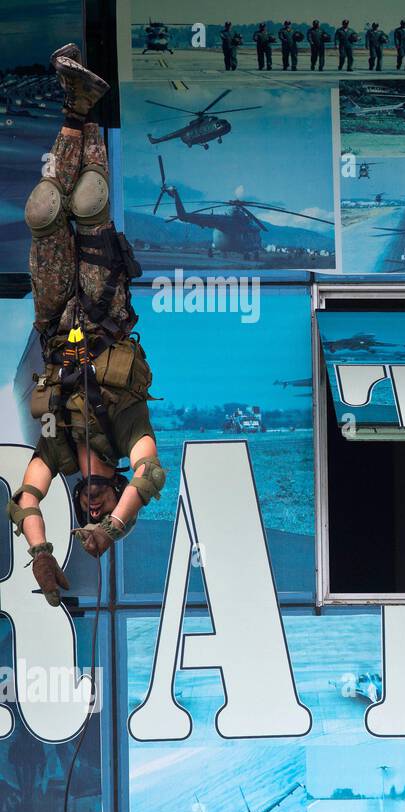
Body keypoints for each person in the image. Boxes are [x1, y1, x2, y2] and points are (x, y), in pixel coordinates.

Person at [16, 46, 165, 606]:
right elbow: (150, 473)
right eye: (102, 510)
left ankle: (75, 110)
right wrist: (115, 530)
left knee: (44, 211)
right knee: (89, 201)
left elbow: (28, 497)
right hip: (103, 311)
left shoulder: (58, 447)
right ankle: (91, 111)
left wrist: (41, 553)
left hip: (56, 319)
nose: (93, 507)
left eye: (88, 512)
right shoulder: (127, 430)